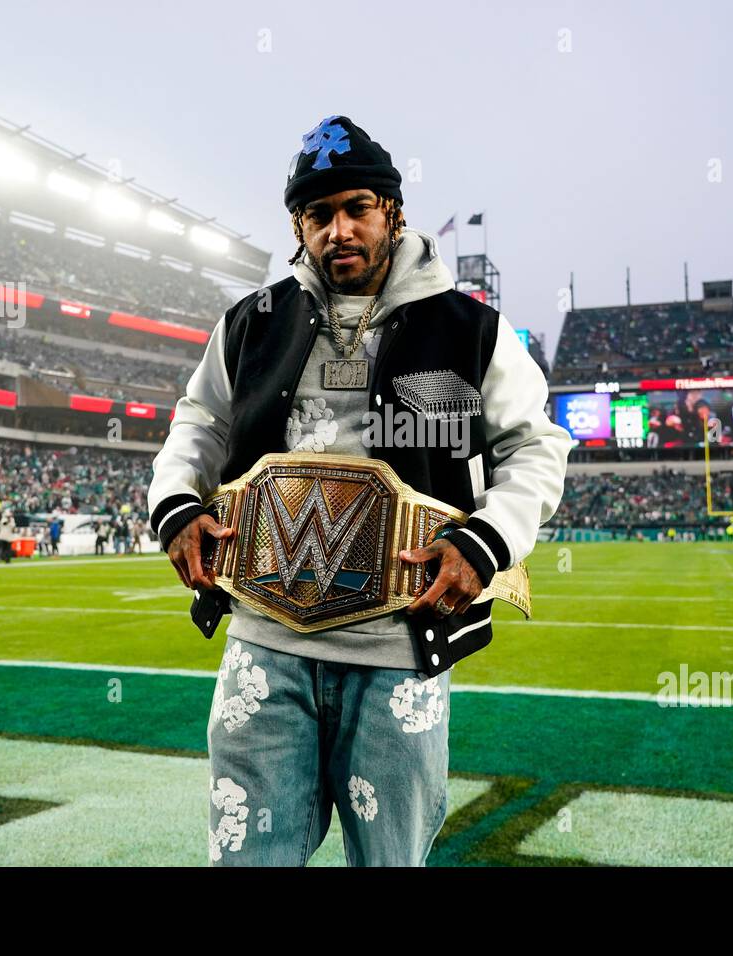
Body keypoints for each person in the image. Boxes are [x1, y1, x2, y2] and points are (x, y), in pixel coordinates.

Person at [147, 116, 570, 867]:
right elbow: (198, 422)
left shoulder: (470, 329)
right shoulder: (252, 324)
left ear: (392, 213)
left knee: (390, 861)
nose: (339, 231)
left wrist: (486, 542)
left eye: (356, 209)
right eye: (319, 215)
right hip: (263, 641)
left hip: (399, 644)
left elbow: (536, 445)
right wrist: (177, 505)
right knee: (245, 856)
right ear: (298, 226)